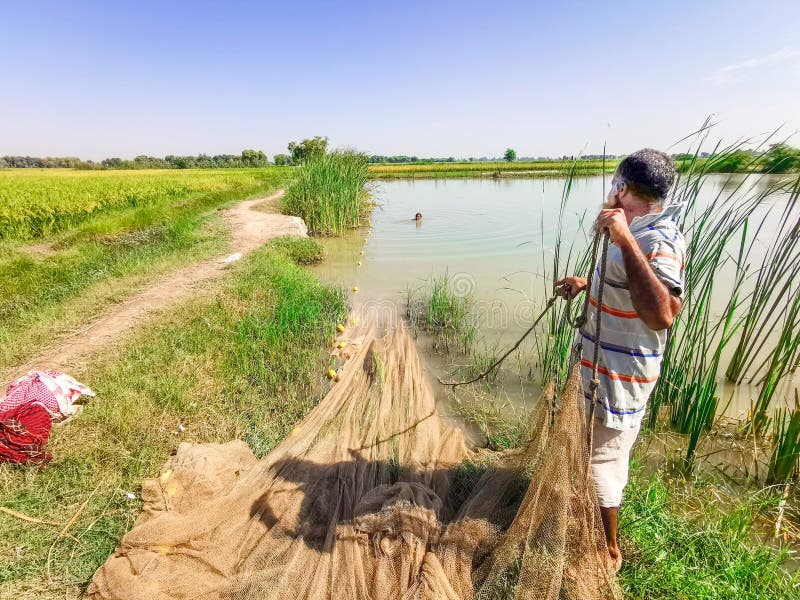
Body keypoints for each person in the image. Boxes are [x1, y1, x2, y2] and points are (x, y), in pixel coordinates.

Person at [555, 149, 685, 572]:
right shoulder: (636, 230)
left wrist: (625, 238)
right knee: (592, 454)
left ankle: (607, 551)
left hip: (619, 378)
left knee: (603, 466)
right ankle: (589, 527)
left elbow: (663, 313)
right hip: (598, 366)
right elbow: (624, 282)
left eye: (615, 184)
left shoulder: (654, 240)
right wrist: (585, 284)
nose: (610, 191)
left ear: (624, 189)